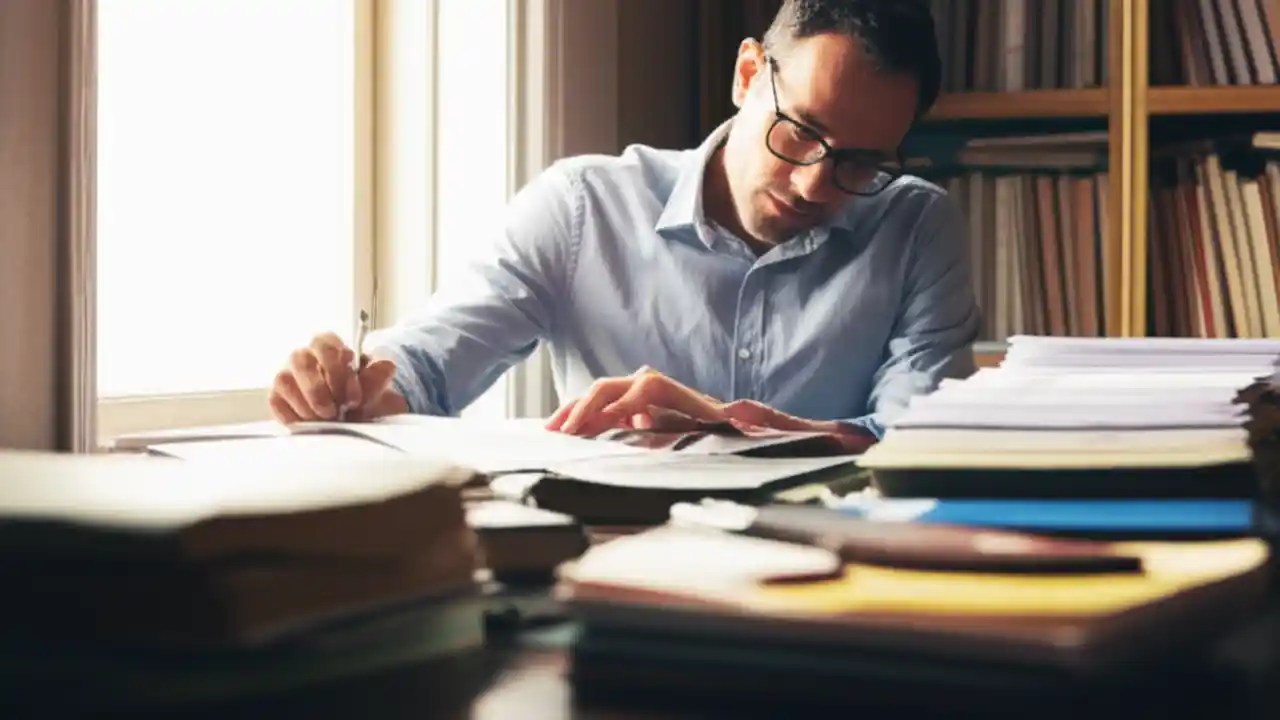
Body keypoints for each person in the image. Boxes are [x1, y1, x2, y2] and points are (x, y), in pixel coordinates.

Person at [267, 0, 978, 452]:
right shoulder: (583, 209)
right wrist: (351, 394)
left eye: (861, 161)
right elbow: (425, 371)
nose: (816, 182)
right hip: (605, 568)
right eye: (800, 132)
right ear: (747, 74)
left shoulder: (916, 225)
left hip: (824, 589)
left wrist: (728, 425)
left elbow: (917, 443)